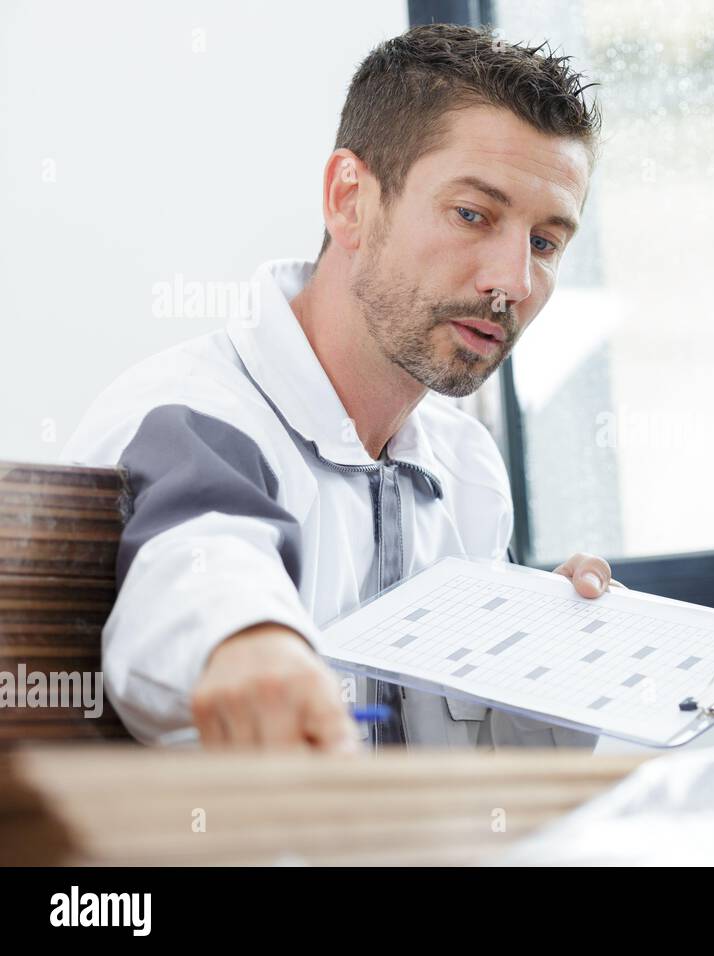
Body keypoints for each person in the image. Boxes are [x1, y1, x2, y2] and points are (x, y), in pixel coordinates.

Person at [63, 23, 612, 753]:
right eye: (473, 215)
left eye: (544, 243)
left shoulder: (467, 470)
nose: (513, 281)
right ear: (349, 198)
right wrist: (247, 637)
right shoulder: (193, 415)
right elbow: (199, 562)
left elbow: (483, 788)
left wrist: (560, 664)